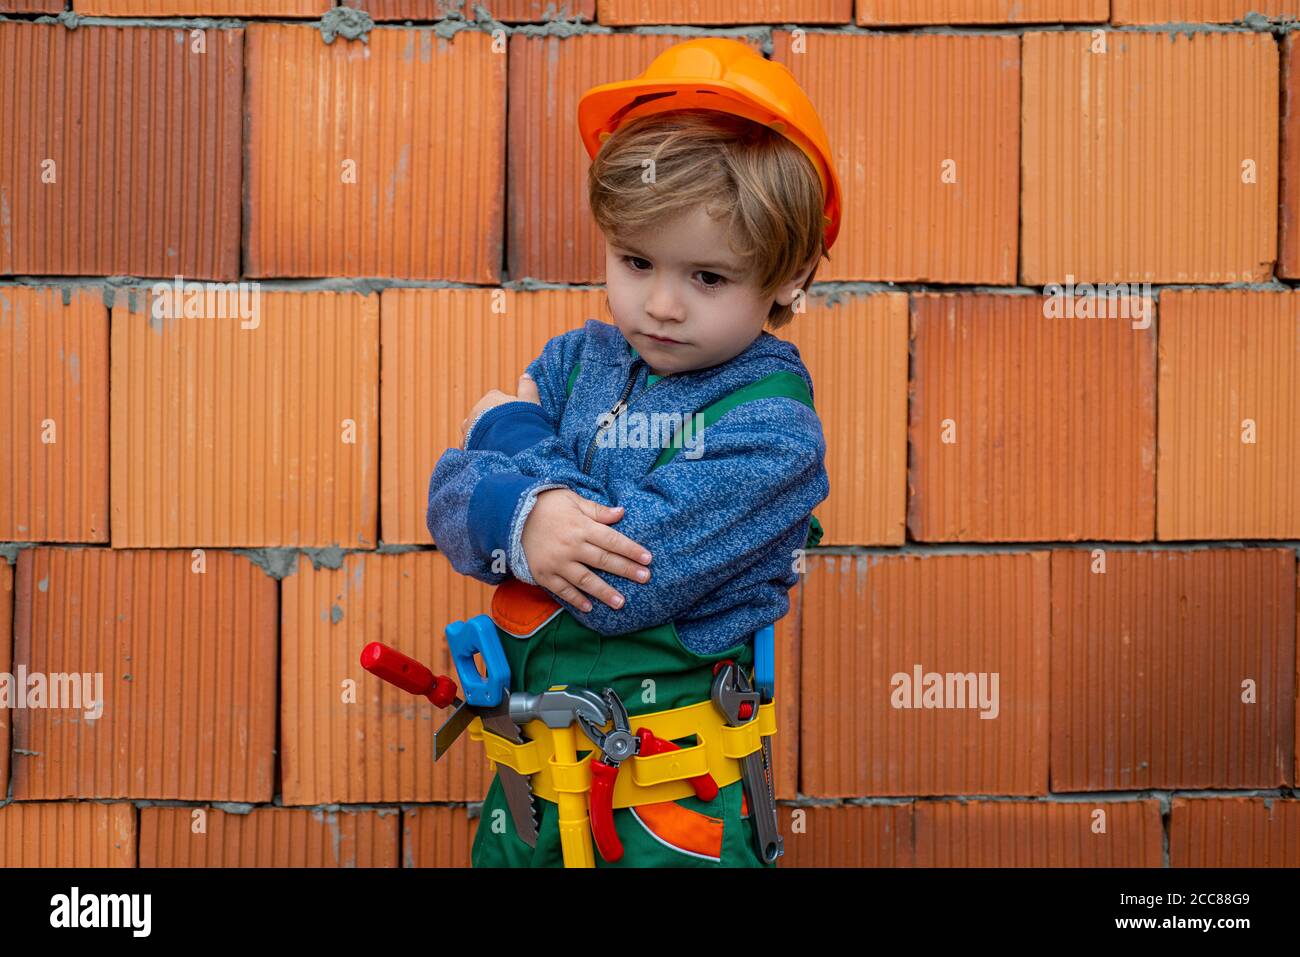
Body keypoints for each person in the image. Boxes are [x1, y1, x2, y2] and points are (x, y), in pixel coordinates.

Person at [425, 37, 841, 867]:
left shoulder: (772, 428)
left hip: (668, 815)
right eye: (635, 260)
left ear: (788, 275)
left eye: (708, 278)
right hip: (531, 799)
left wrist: (511, 439)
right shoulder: (577, 362)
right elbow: (448, 495)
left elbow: (624, 577)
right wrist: (518, 514)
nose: (660, 304)